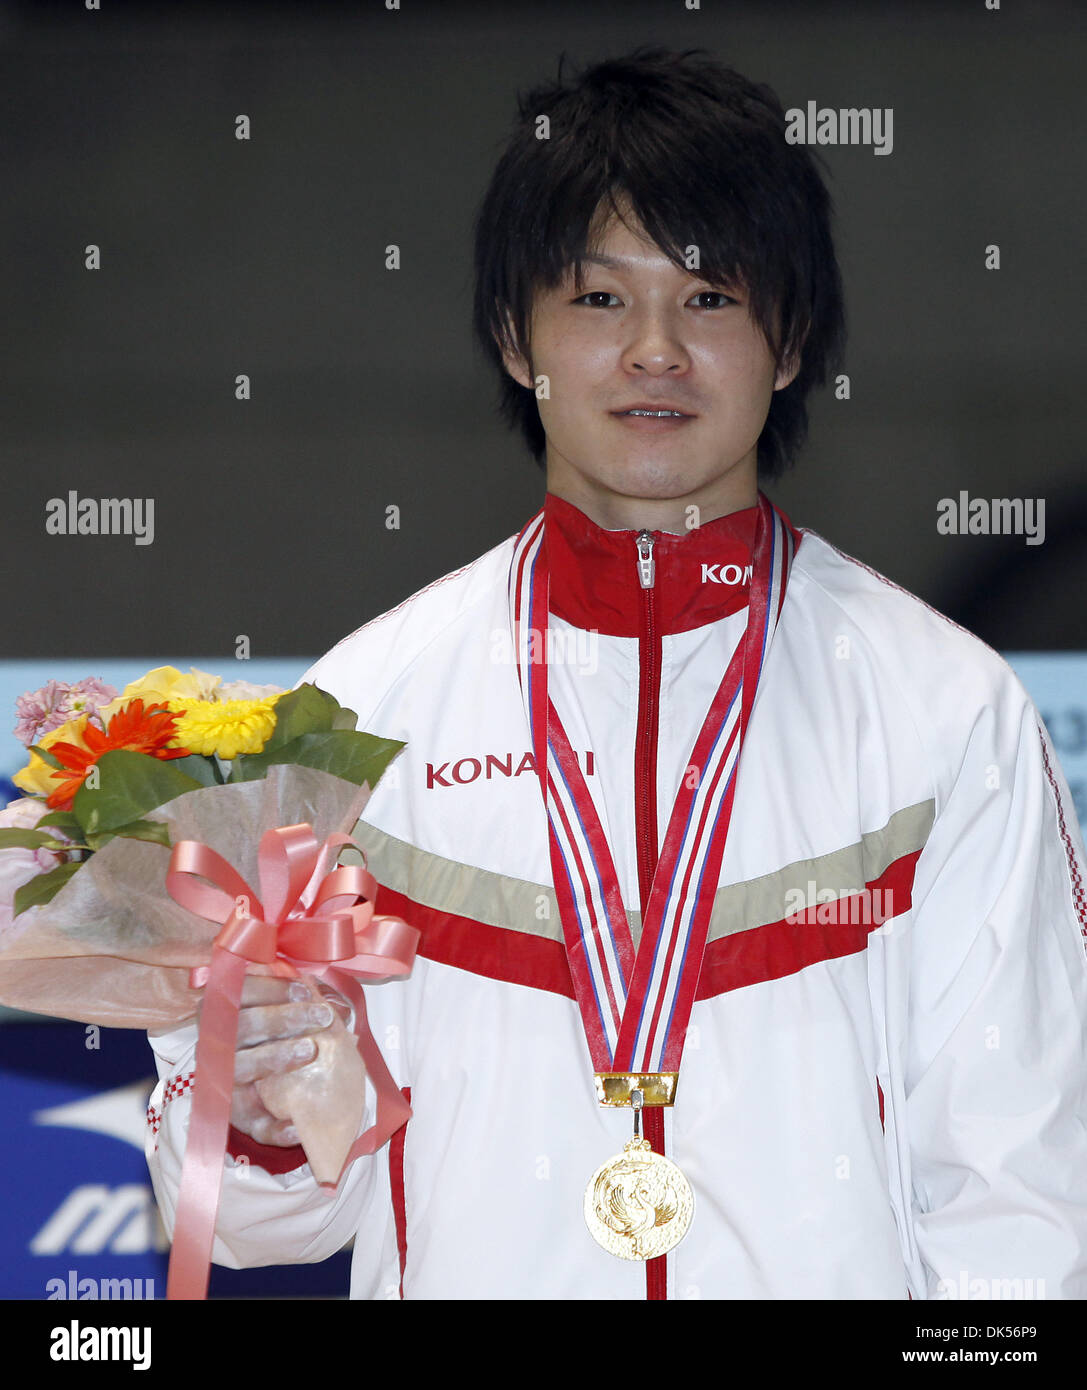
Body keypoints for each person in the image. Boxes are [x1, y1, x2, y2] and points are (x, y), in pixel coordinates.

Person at [145, 47, 1087, 1300]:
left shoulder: (942, 707)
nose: (654, 350)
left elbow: (1023, 1191)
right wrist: (263, 1095)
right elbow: (274, 1219)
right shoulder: (363, 715)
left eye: (709, 298)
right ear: (512, 333)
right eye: (596, 300)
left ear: (790, 341)